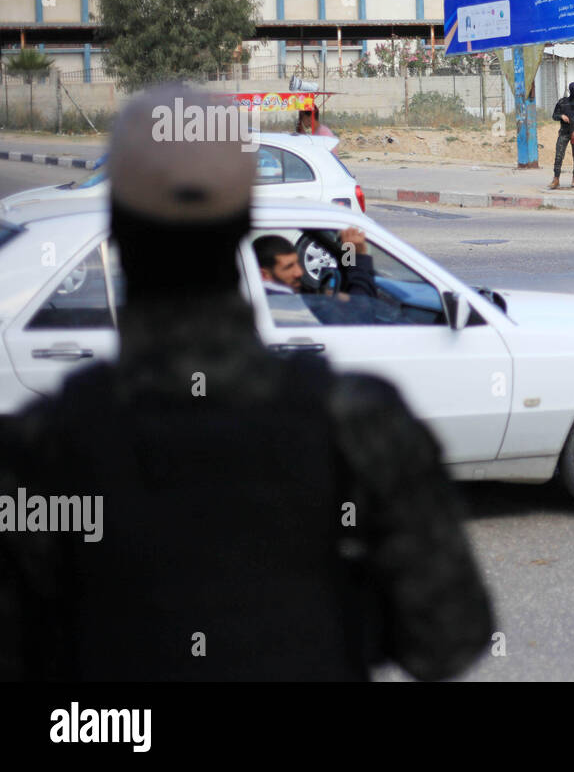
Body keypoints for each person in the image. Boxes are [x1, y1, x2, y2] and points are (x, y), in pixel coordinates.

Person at [0, 84, 493, 682]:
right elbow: (448, 637)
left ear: (120, 231)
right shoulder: (356, 420)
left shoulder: (39, 448)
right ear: (243, 227)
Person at [550, 82, 574, 190]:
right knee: (558, 156)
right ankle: (556, 178)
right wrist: (561, 116)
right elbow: (554, 115)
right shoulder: (562, 102)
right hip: (564, 132)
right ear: (571, 90)